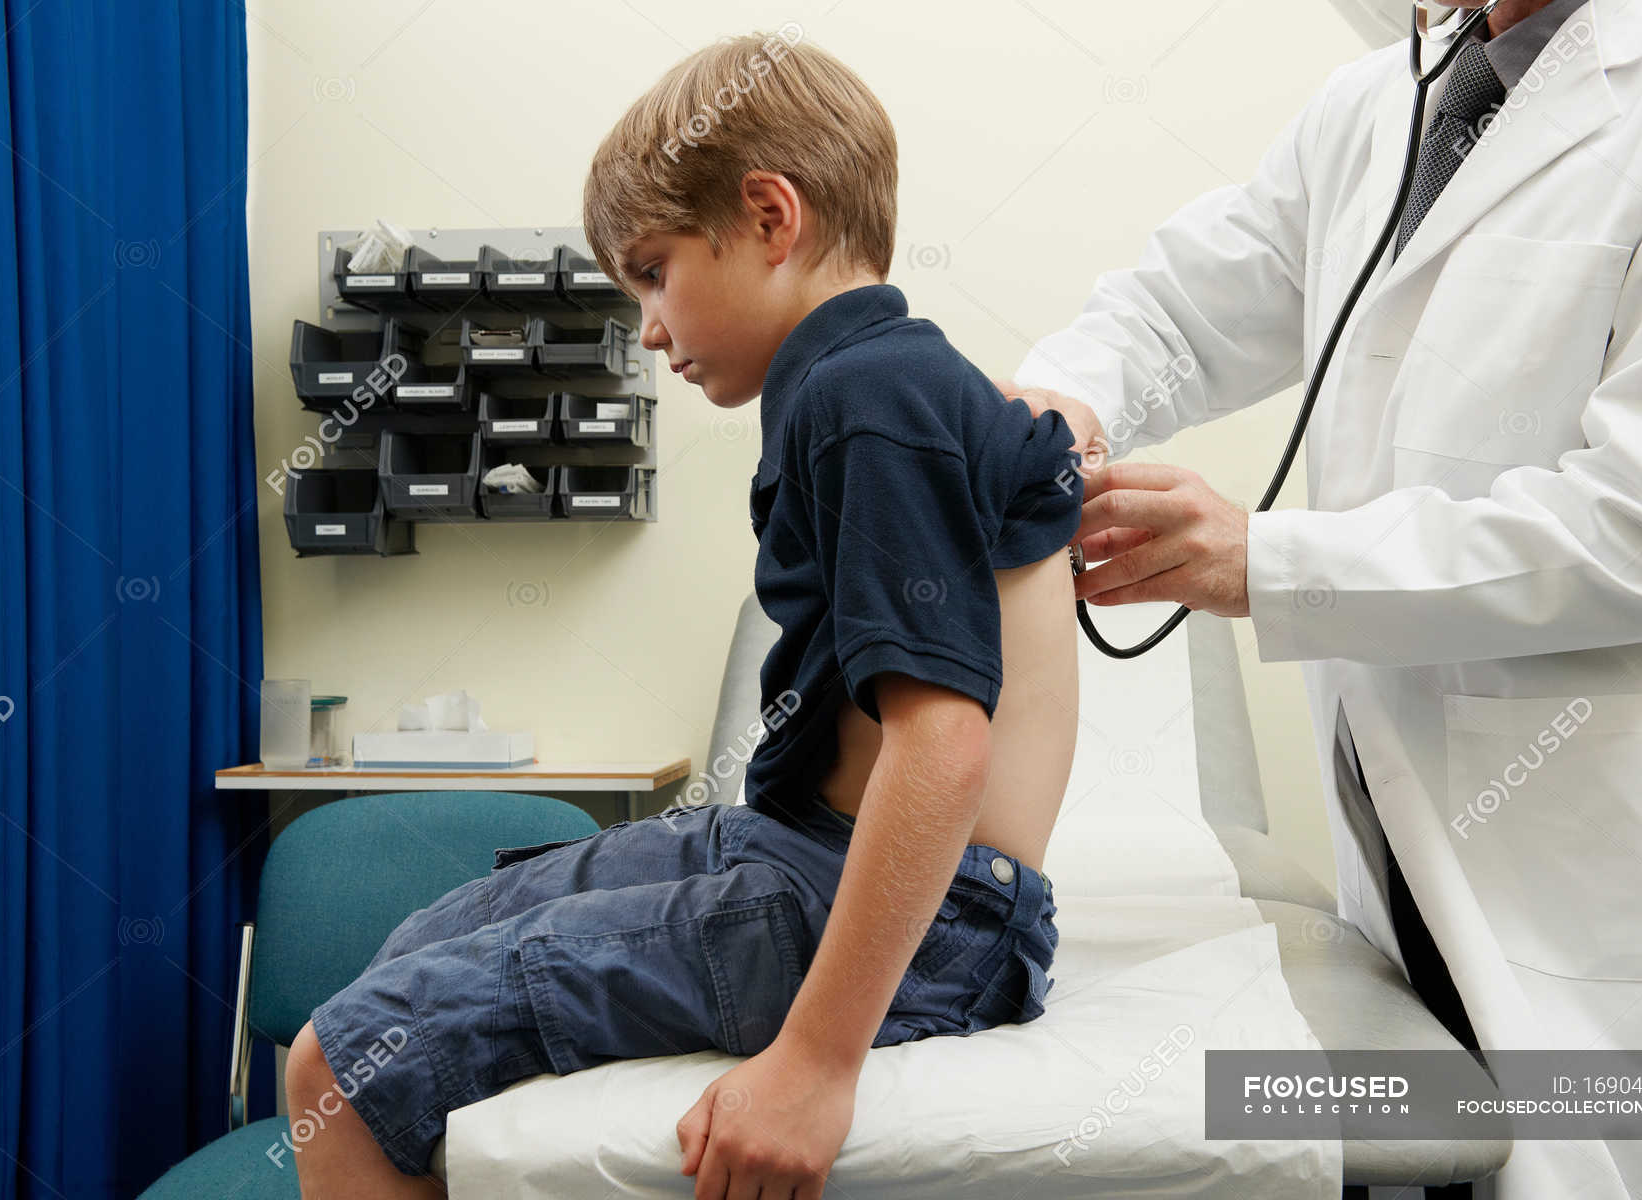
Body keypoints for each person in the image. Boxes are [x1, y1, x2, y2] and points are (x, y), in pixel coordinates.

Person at [284, 33, 1086, 1199]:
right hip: (801, 846)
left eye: (654, 272)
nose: (649, 329)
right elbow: (1033, 461)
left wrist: (814, 1063)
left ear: (770, 217)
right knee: (412, 946)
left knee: (341, 1069)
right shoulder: (879, 383)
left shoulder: (871, 396)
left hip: (936, 919)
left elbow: (943, 746)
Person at [1002, 1, 1642, 1196]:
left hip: (1599, 862)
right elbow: (1182, 306)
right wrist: (1056, 408)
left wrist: (1267, 562)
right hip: (1397, 834)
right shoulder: (1380, 104)